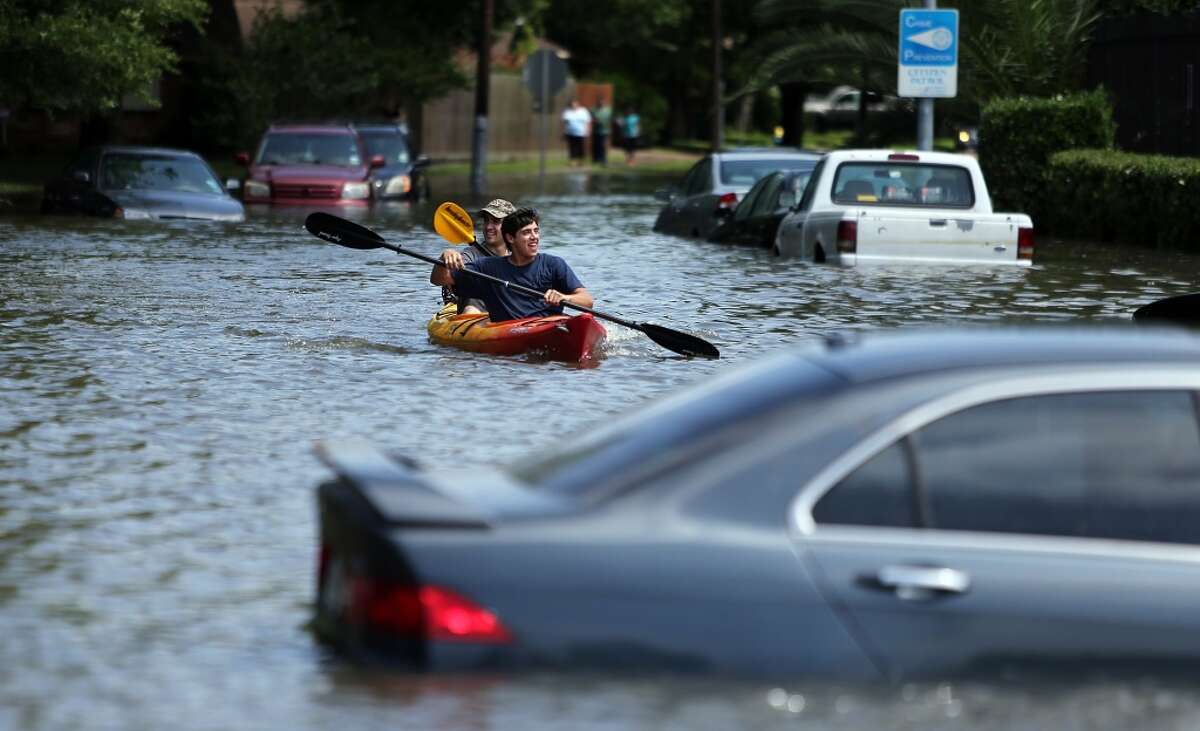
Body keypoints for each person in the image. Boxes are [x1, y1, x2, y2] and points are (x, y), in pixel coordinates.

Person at [446, 207, 593, 322]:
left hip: (547, 325)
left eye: (536, 231)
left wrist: (565, 298)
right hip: (509, 328)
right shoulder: (487, 266)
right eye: (527, 232)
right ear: (510, 237)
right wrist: (445, 257)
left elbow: (587, 301)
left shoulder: (554, 264)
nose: (534, 237)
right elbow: (440, 279)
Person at [430, 198, 516, 314]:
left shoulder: (518, 257)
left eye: (495, 221)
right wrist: (443, 258)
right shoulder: (470, 255)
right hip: (475, 317)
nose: (488, 227)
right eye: (486, 220)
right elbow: (437, 280)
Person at [561, 99, 591, 167]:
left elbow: (588, 122)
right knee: (572, 148)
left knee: (581, 147)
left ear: (578, 104)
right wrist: (563, 132)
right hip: (570, 133)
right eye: (572, 104)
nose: (573, 105)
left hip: (581, 133)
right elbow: (564, 123)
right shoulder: (567, 112)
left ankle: (581, 161)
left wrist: (588, 130)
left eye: (575, 104)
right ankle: (573, 162)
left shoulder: (583, 111)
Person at [590, 100, 612, 166]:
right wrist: (595, 121)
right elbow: (591, 116)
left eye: (602, 103)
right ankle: (596, 159)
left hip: (605, 131)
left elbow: (610, 120)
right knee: (596, 145)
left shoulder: (608, 111)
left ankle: (604, 159)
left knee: (603, 145)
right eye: (599, 103)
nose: (601, 104)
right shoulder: (594, 110)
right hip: (596, 131)